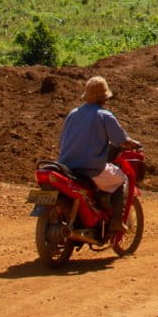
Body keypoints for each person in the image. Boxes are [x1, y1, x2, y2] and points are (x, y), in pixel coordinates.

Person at [57, 76, 140, 236]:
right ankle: (116, 222)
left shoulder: (73, 113)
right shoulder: (104, 115)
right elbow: (121, 140)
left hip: (65, 167)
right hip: (91, 169)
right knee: (121, 179)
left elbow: (62, 140)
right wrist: (134, 143)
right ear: (105, 97)